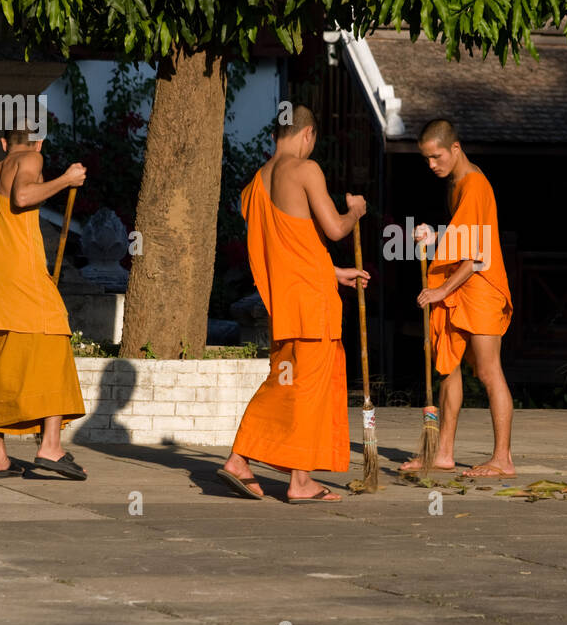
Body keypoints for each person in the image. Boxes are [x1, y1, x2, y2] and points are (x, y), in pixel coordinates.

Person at [218, 105, 370, 503]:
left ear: (275, 135)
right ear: (308, 135)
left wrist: (332, 272)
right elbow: (335, 229)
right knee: (308, 392)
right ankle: (280, 474)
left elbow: (286, 249)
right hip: (313, 307)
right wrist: (355, 211)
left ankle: (253, 462)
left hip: (284, 305)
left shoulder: (254, 185)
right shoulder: (306, 170)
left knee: (284, 384)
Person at [0, 128, 88, 480]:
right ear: (38, 141)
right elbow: (22, 196)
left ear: (4, 143)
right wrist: (66, 179)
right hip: (27, 281)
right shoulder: (32, 158)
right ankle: (50, 446)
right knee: (55, 348)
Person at [400, 118, 515, 478]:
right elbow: (465, 235)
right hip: (460, 285)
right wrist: (434, 236)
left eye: (436, 157)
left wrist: (440, 290)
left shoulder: (474, 185)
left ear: (455, 148)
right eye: (426, 159)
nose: (431, 165)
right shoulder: (456, 183)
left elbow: (478, 255)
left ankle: (503, 459)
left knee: (486, 370)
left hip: (480, 286)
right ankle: (442, 452)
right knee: (446, 366)